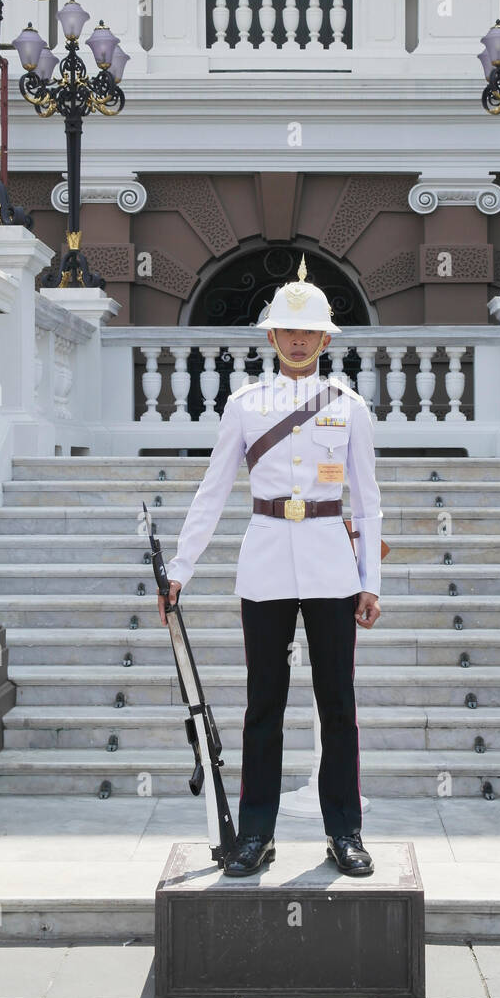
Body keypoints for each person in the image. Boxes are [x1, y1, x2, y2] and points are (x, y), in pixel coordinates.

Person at [159, 255, 383, 877]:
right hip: (264, 563)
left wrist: (370, 581)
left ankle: (345, 832)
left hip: (332, 567)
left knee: (337, 704)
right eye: (288, 330)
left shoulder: (350, 407)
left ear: (325, 338)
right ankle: (256, 832)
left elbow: (367, 502)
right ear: (271, 337)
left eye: (310, 330)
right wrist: (181, 568)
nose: (299, 339)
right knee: (265, 703)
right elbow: (213, 488)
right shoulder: (244, 404)